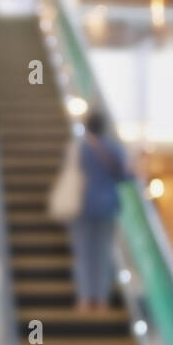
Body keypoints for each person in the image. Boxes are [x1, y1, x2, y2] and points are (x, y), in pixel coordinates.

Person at [67, 112, 132, 311]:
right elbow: (123, 175)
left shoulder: (80, 149)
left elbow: (71, 174)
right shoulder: (114, 149)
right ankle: (102, 299)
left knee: (83, 253)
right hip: (107, 206)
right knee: (104, 253)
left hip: (82, 205)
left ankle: (85, 299)